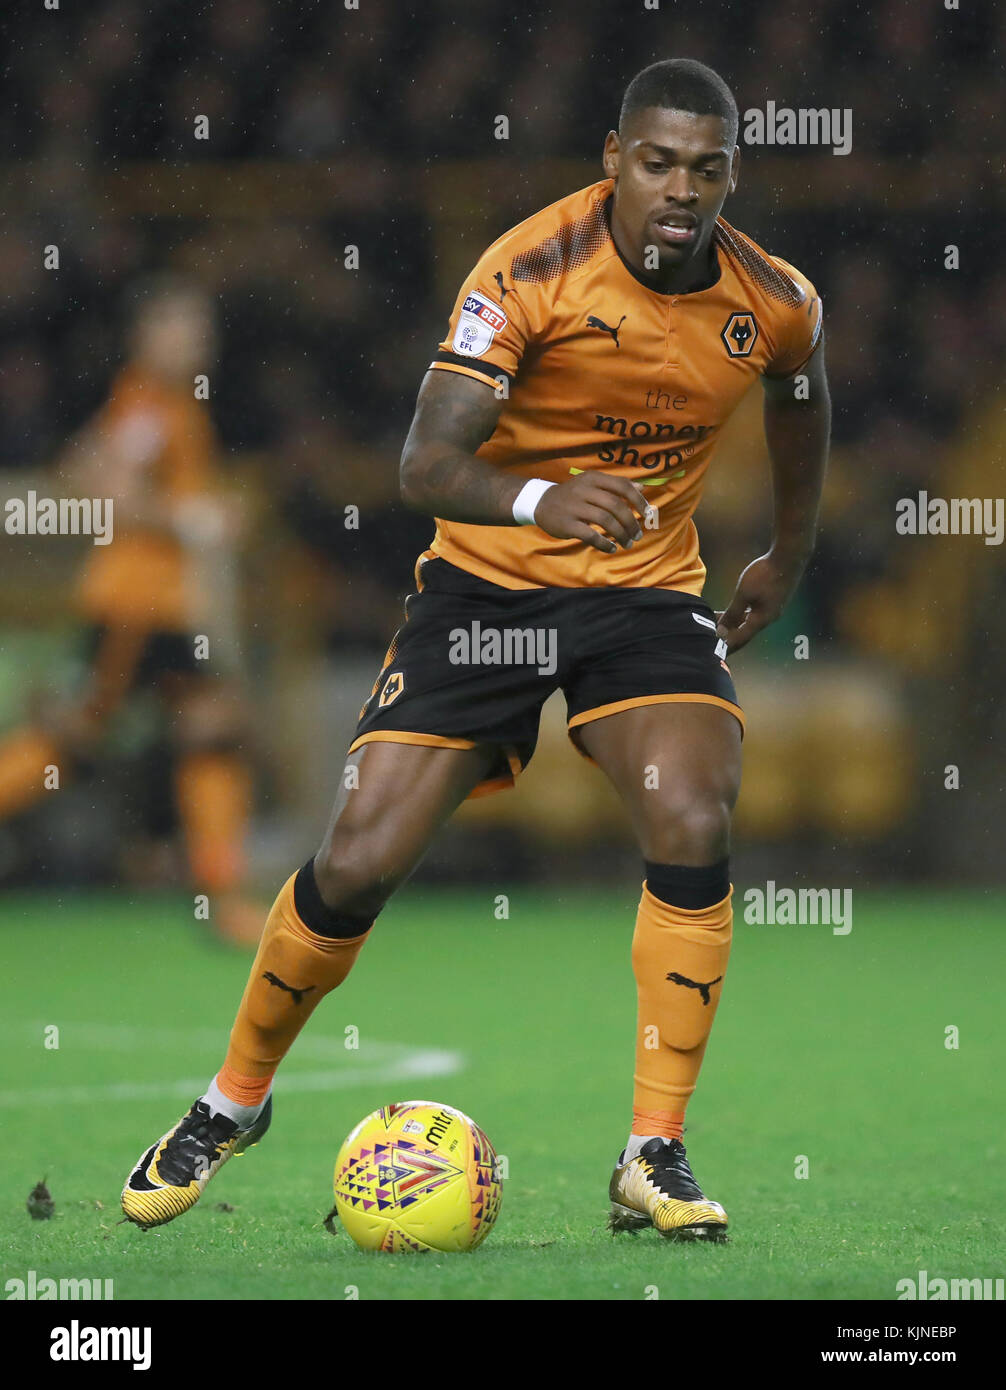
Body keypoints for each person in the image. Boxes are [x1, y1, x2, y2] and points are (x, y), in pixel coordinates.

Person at [122, 59, 830, 1242]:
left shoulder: (776, 297)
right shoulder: (526, 269)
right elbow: (425, 466)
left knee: (694, 815)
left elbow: (803, 398)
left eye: (705, 170)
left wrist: (784, 558)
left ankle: (653, 1150)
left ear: (730, 178)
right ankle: (229, 1100)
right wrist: (543, 497)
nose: (678, 190)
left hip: (645, 596)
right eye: (655, 162)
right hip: (486, 586)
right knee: (356, 857)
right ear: (613, 159)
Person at [0, 275, 260, 942]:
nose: (198, 338)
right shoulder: (148, 400)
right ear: (147, 335)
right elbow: (105, 485)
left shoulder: (162, 401)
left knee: (212, 730)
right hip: (133, 606)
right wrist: (191, 519)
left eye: (201, 324)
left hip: (162, 609)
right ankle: (223, 897)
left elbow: (77, 462)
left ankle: (222, 894)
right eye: (180, 323)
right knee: (68, 744)